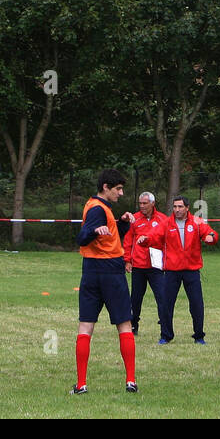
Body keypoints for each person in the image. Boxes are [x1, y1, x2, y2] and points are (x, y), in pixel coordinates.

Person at [71, 168, 137, 394]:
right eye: (118, 189)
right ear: (106, 187)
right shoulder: (98, 209)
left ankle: (81, 385)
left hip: (90, 271)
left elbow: (108, 233)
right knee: (124, 324)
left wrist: (123, 223)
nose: (121, 193)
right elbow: (82, 237)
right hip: (110, 270)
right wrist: (92, 232)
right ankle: (130, 380)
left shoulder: (96, 206)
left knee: (86, 325)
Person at [159, 196, 218, 345]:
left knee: (197, 304)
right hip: (172, 270)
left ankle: (199, 336)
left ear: (187, 208)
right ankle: (166, 336)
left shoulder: (197, 222)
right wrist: (145, 239)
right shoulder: (166, 223)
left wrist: (211, 237)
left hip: (191, 271)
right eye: (175, 207)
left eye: (180, 207)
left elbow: (210, 233)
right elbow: (153, 236)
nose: (177, 210)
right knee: (166, 304)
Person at [123, 192, 168, 338]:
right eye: (140, 203)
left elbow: (168, 241)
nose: (142, 206)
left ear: (153, 203)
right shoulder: (134, 219)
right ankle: (133, 325)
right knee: (135, 298)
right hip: (139, 265)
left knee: (162, 296)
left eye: (145, 203)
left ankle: (165, 326)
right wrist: (127, 260)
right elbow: (128, 240)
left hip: (156, 266)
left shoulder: (163, 219)